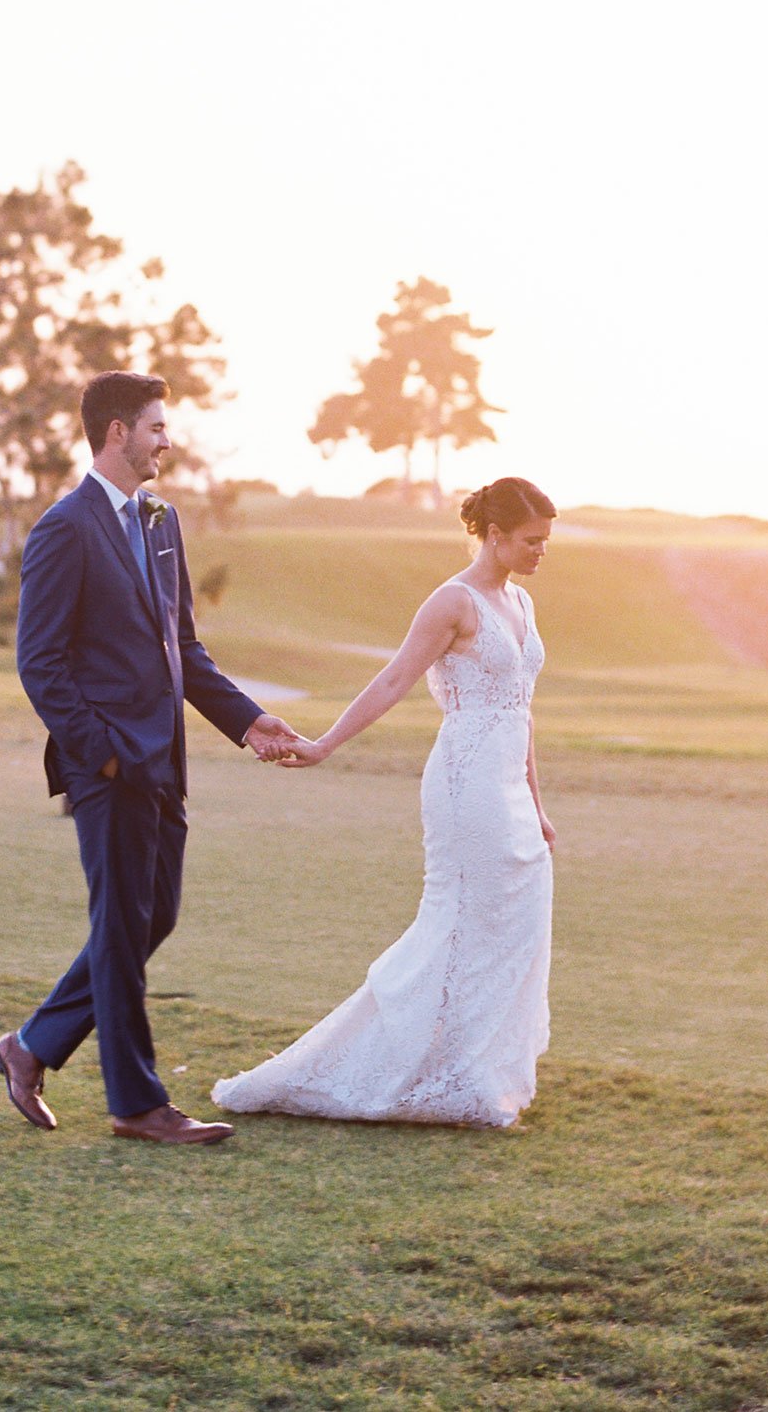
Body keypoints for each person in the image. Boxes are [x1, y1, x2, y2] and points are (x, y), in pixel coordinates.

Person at [0, 370, 304, 1145]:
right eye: (157, 426)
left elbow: (183, 649)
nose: (168, 439)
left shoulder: (162, 521)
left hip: (166, 762)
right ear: (117, 432)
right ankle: (136, 1102)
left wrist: (249, 719)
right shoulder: (65, 527)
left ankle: (28, 1047)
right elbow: (41, 663)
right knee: (124, 927)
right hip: (110, 769)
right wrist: (100, 757)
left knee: (150, 916)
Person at [214, 476, 557, 1128]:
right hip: (467, 784)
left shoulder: (523, 603)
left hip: (510, 784)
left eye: (545, 540)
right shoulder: (451, 603)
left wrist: (538, 805)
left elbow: (522, 711)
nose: (542, 550)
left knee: (514, 919)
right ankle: (387, 1066)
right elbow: (395, 677)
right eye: (532, 540)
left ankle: (473, 1068)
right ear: (494, 535)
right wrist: (325, 744)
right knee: (455, 923)